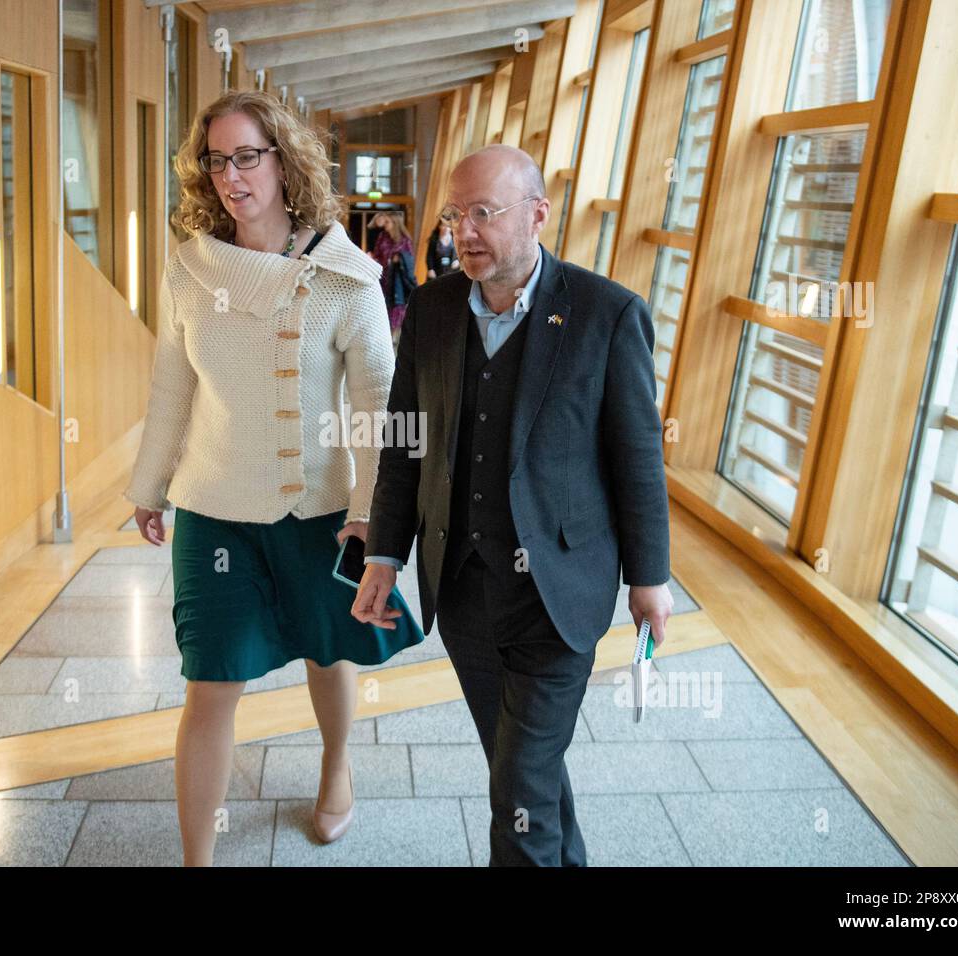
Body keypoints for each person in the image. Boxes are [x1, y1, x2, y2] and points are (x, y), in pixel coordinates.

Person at [125, 89, 424, 866]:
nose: (232, 175)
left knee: (331, 654)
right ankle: (197, 860)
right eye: (216, 160)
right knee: (211, 682)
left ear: (283, 160)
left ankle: (335, 772)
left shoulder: (343, 274)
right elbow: (170, 386)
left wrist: (369, 513)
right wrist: (147, 485)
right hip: (215, 511)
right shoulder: (191, 269)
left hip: (322, 511)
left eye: (247, 155)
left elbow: (377, 407)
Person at [353, 144, 673, 866]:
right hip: (463, 591)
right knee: (521, 770)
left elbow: (637, 458)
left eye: (484, 213)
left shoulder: (606, 314)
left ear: (538, 214)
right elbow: (403, 444)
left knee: (518, 789)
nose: (464, 231)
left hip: (558, 597)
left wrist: (650, 578)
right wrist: (383, 556)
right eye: (456, 215)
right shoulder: (432, 311)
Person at [369, 210, 415, 343]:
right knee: (383, 305)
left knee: (397, 306)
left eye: (388, 222)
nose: (385, 225)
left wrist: (399, 258)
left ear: (395, 223)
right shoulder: (382, 236)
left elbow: (410, 261)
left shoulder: (404, 240)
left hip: (397, 280)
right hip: (383, 278)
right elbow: (377, 254)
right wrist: (372, 257)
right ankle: (384, 334)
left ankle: (394, 335)